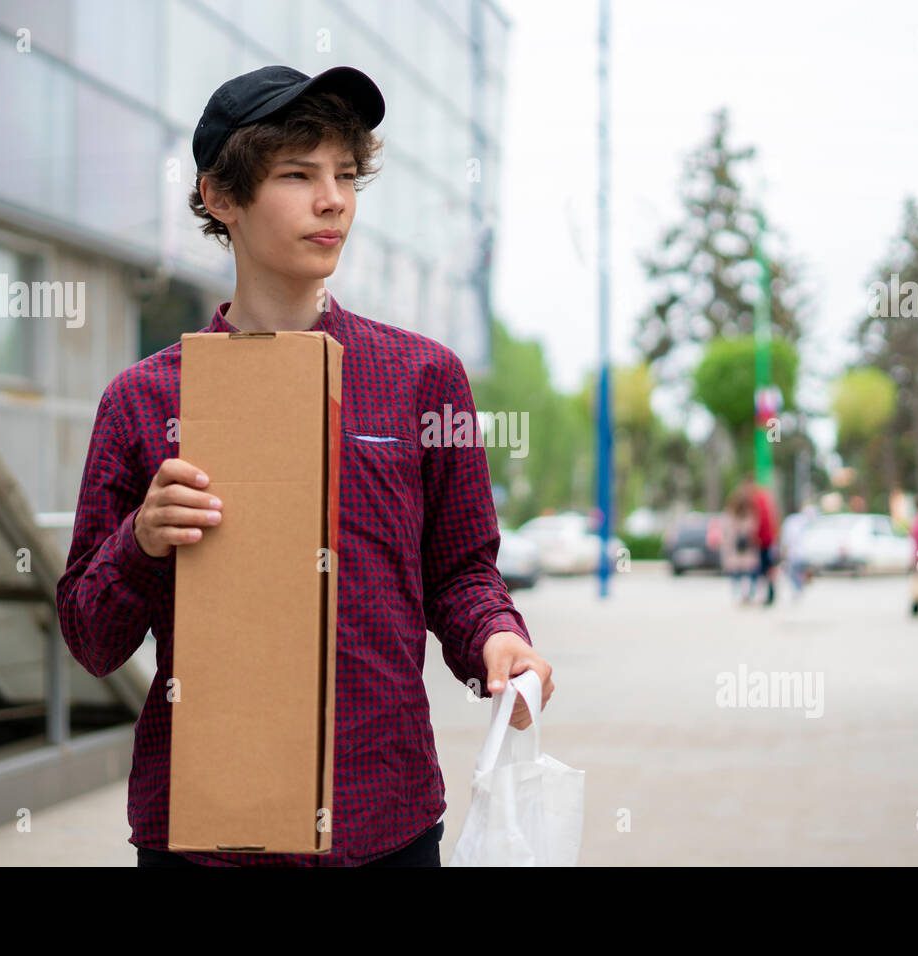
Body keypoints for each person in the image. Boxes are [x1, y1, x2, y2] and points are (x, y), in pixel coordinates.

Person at [56, 65, 554, 868]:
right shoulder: (143, 399)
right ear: (221, 196)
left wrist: (498, 639)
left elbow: (462, 574)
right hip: (203, 834)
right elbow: (89, 636)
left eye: (347, 176)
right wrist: (142, 541)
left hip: (384, 821)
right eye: (299, 175)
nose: (334, 201)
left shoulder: (424, 378)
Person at [743, 473, 779, 605]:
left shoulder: (757, 499)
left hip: (763, 540)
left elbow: (761, 521)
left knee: (761, 568)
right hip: (767, 539)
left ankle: (761, 594)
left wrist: (755, 536)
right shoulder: (764, 497)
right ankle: (765, 594)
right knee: (765, 568)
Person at [720, 487, 759, 604]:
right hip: (746, 548)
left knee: (737, 574)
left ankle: (738, 594)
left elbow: (727, 532)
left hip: (737, 549)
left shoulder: (731, 514)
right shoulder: (749, 513)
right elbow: (753, 528)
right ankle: (746, 594)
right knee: (747, 574)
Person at [780, 504, 817, 598]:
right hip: (797, 552)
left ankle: (798, 588)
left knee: (795, 571)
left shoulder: (792, 521)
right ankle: (798, 587)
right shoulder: (795, 522)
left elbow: (787, 539)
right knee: (795, 571)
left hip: (798, 553)